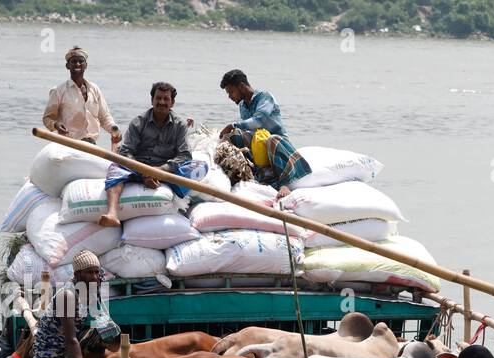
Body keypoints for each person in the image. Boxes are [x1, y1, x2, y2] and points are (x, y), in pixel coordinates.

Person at [98, 82, 198, 228]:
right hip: (138, 167)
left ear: (172, 103)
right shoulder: (138, 122)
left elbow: (184, 155)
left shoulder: (180, 125)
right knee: (115, 167)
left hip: (165, 171)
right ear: (152, 100)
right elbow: (126, 152)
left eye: (166, 99)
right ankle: (112, 213)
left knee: (196, 166)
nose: (161, 102)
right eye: (158, 98)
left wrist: (159, 171)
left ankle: (164, 184)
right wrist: (145, 172)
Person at [217, 69, 311, 196]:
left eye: (231, 92)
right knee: (235, 136)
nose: (230, 97)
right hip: (258, 147)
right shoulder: (243, 106)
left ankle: (284, 184)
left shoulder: (265, 97)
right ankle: (256, 175)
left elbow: (259, 121)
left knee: (270, 139)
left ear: (241, 86)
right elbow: (248, 130)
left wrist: (233, 125)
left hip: (277, 145)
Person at [42, 47, 120, 147]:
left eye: (81, 61)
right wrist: (55, 125)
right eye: (74, 61)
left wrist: (114, 129)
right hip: (67, 144)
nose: (77, 64)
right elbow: (47, 118)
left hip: (91, 145)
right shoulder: (58, 91)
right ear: (67, 66)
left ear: (86, 65)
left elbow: (104, 118)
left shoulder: (94, 89)